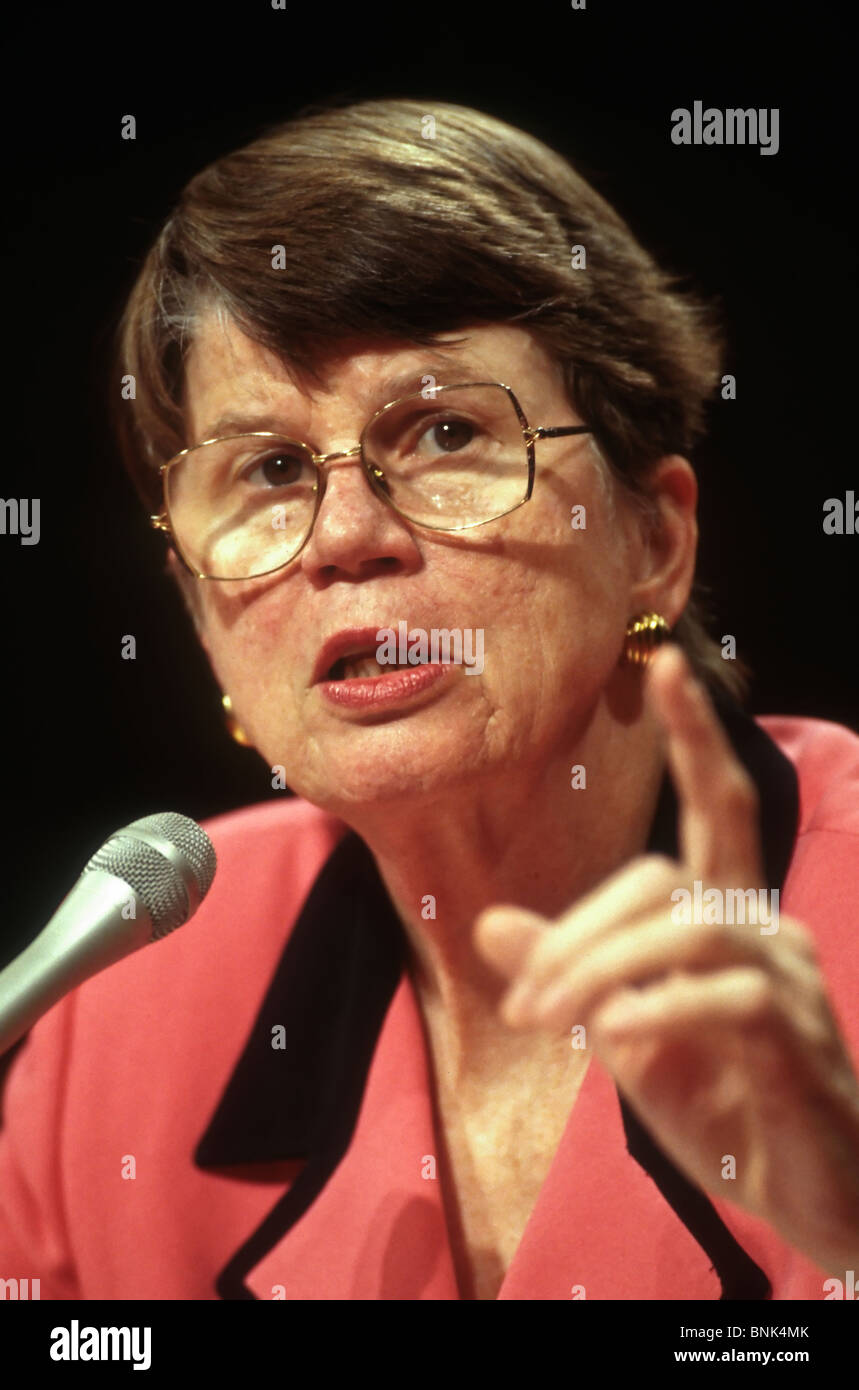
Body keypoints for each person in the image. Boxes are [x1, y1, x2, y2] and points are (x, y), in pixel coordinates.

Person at [1, 96, 857, 1302]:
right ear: (197, 610)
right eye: (271, 469)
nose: (345, 535)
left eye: (446, 430)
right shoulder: (119, 1018)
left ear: (655, 534)